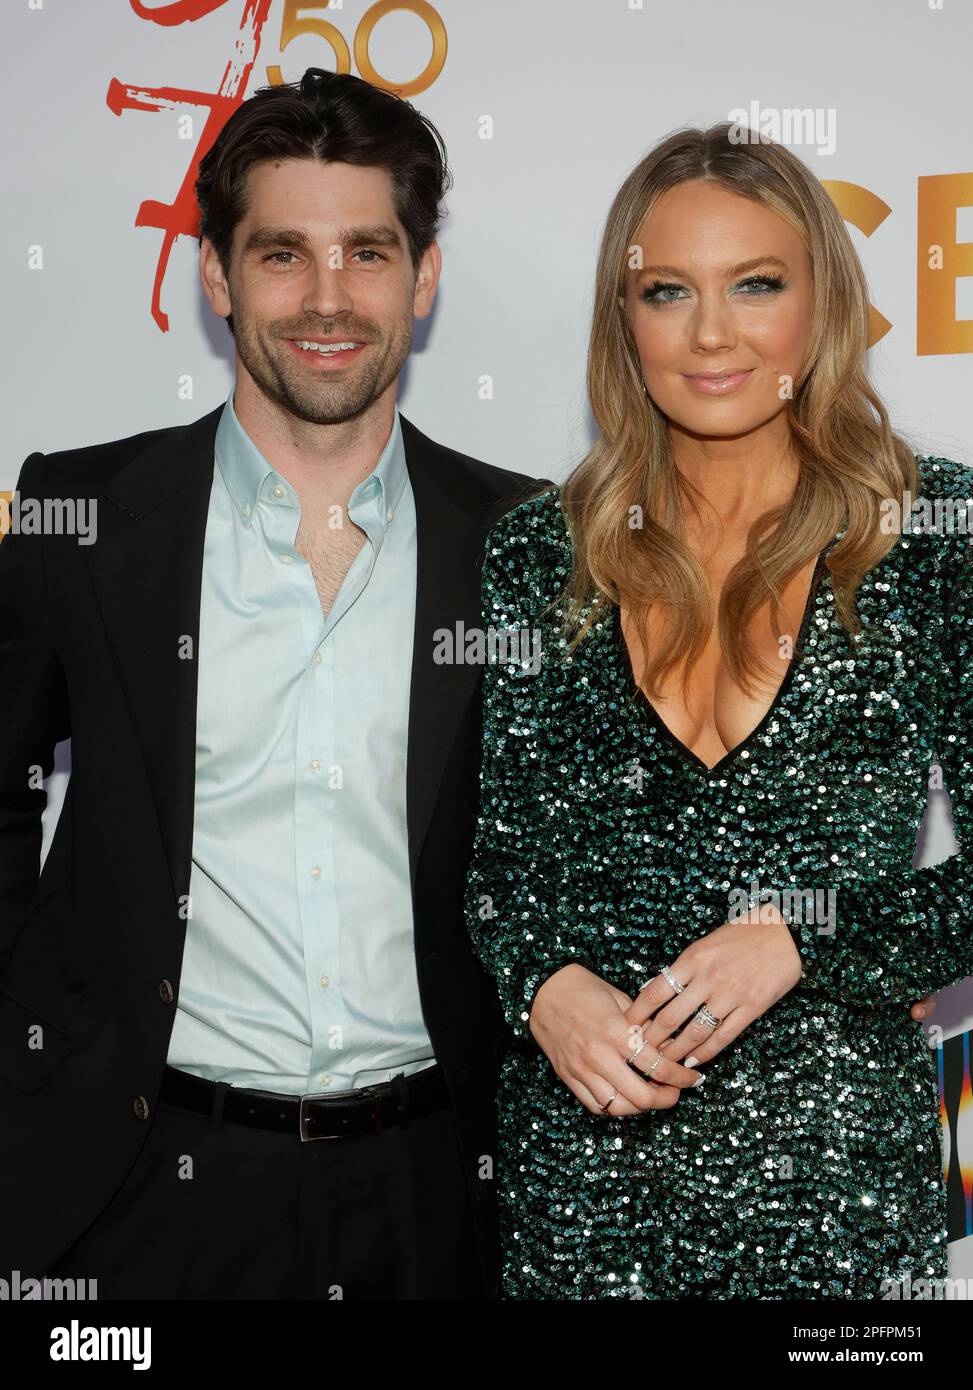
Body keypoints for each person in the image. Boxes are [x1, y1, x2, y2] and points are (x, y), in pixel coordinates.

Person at [0, 67, 548, 1299]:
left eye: (367, 251)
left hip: (443, 1188)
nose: (328, 300)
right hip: (139, 1191)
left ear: (424, 278)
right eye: (282, 254)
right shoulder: (82, 519)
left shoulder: (527, 542)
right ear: (217, 276)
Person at [464, 122, 969, 1299]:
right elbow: (499, 863)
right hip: (584, 1190)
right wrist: (543, 982)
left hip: (838, 1199)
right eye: (664, 291)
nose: (708, 334)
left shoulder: (929, 538)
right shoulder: (545, 553)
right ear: (620, 319)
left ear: (821, 305)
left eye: (755, 285)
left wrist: (802, 936)